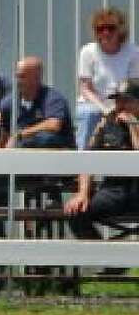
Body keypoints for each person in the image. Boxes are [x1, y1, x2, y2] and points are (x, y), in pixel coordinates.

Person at [0, 57, 75, 235]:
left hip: (54, 166)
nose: (17, 80)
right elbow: (5, 132)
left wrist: (22, 134)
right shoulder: (9, 103)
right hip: (22, 164)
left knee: (45, 138)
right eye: (17, 75)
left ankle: (51, 197)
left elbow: (54, 124)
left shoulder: (53, 98)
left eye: (22, 76)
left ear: (36, 77)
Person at [64, 78, 139, 237]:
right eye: (117, 100)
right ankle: (103, 253)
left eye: (126, 101)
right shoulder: (107, 125)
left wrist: (133, 126)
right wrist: (83, 193)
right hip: (114, 190)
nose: (120, 105)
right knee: (76, 212)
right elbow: (88, 160)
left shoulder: (133, 124)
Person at [74, 6, 139, 149]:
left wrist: (119, 108)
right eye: (100, 29)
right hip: (94, 103)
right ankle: (83, 158)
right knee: (89, 114)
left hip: (123, 102)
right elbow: (85, 88)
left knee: (132, 119)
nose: (105, 32)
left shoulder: (133, 52)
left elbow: (133, 86)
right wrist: (105, 109)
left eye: (110, 28)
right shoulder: (87, 51)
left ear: (120, 30)